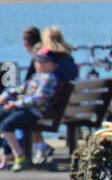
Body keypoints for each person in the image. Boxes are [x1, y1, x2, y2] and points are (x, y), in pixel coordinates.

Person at [0, 48, 59, 172]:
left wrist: (16, 104)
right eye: (37, 61)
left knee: (6, 125)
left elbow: (39, 99)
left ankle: (19, 157)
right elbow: (21, 88)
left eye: (42, 61)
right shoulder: (37, 76)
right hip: (24, 109)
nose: (38, 64)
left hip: (34, 112)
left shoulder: (48, 78)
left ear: (51, 64)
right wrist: (7, 94)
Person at [27, 27, 79, 165]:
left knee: (25, 111)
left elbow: (29, 81)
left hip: (51, 109)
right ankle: (39, 147)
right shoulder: (68, 58)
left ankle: (33, 149)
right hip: (72, 108)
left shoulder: (46, 58)